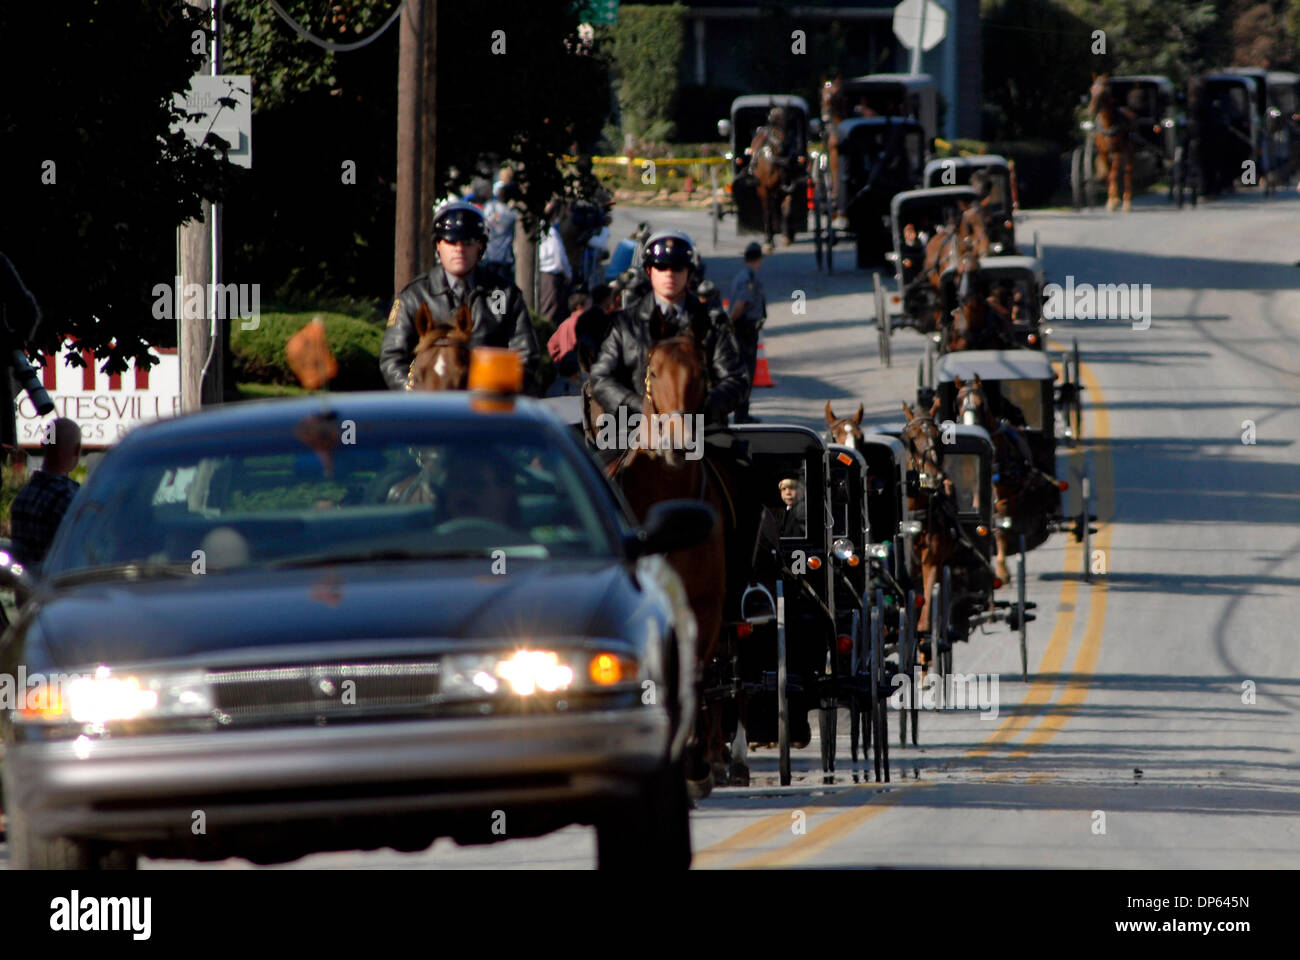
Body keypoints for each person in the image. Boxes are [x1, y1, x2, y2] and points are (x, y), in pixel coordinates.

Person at [380, 201, 540, 393]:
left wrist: (499, 393)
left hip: (489, 407)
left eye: (468, 242)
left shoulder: (505, 294)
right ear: (438, 245)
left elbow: (526, 356)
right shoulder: (414, 296)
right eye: (451, 241)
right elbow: (392, 358)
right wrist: (415, 395)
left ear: (480, 246)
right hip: (428, 407)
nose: (459, 248)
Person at [9, 418, 82, 569]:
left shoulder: (24, 495)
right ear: (76, 450)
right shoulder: (69, 498)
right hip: (58, 588)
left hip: (26, 588)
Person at [729, 242, 767, 424]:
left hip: (745, 330)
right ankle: (741, 416)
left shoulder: (743, 276)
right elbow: (740, 305)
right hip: (744, 331)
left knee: (746, 373)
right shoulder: (748, 279)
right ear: (758, 259)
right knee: (745, 374)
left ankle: (743, 413)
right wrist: (729, 323)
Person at [538, 207, 572, 324]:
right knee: (550, 310)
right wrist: (568, 274)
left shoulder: (536, 228)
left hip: (540, 273)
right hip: (550, 275)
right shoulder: (550, 232)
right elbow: (559, 256)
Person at [481, 179, 518, 279]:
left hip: (488, 256)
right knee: (501, 290)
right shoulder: (511, 213)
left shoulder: (489, 206)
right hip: (503, 259)